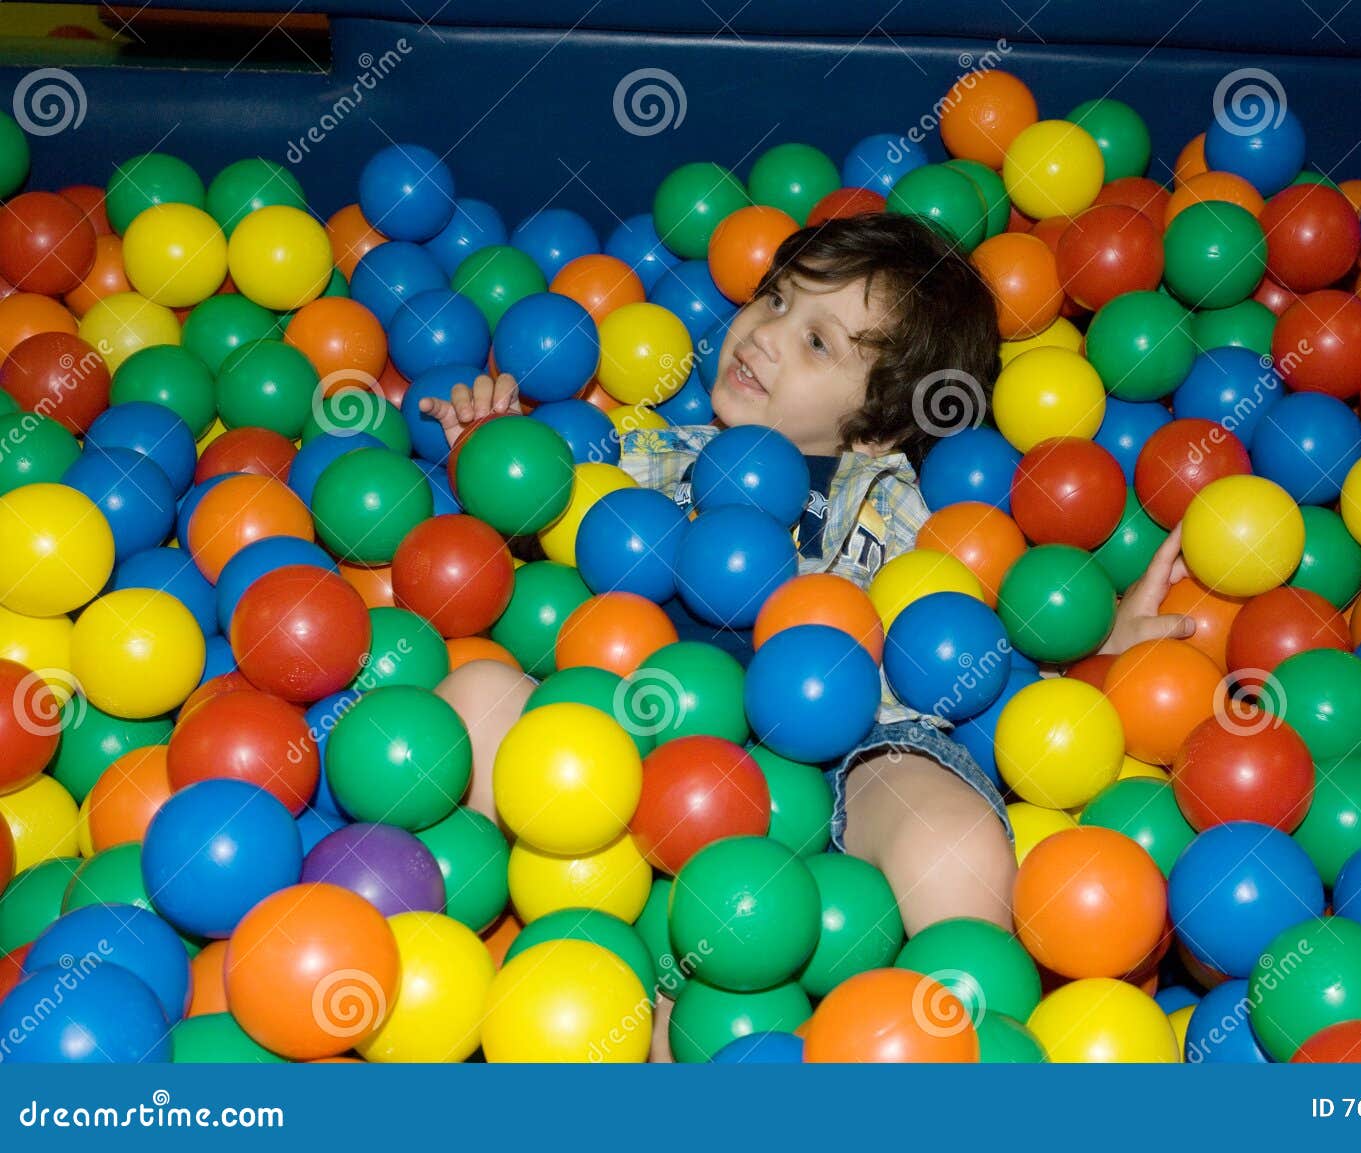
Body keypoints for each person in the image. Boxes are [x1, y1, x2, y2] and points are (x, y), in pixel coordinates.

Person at [423, 213, 1194, 1056]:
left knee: (954, 840)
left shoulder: (888, 493)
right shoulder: (649, 454)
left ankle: (959, 1037)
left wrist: (1093, 646)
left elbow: (973, 632)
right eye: (776, 298)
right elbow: (543, 522)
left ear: (878, 424)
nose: (765, 334)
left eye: (820, 342)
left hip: (848, 755)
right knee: (472, 697)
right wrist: (489, 464)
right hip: (625, 737)